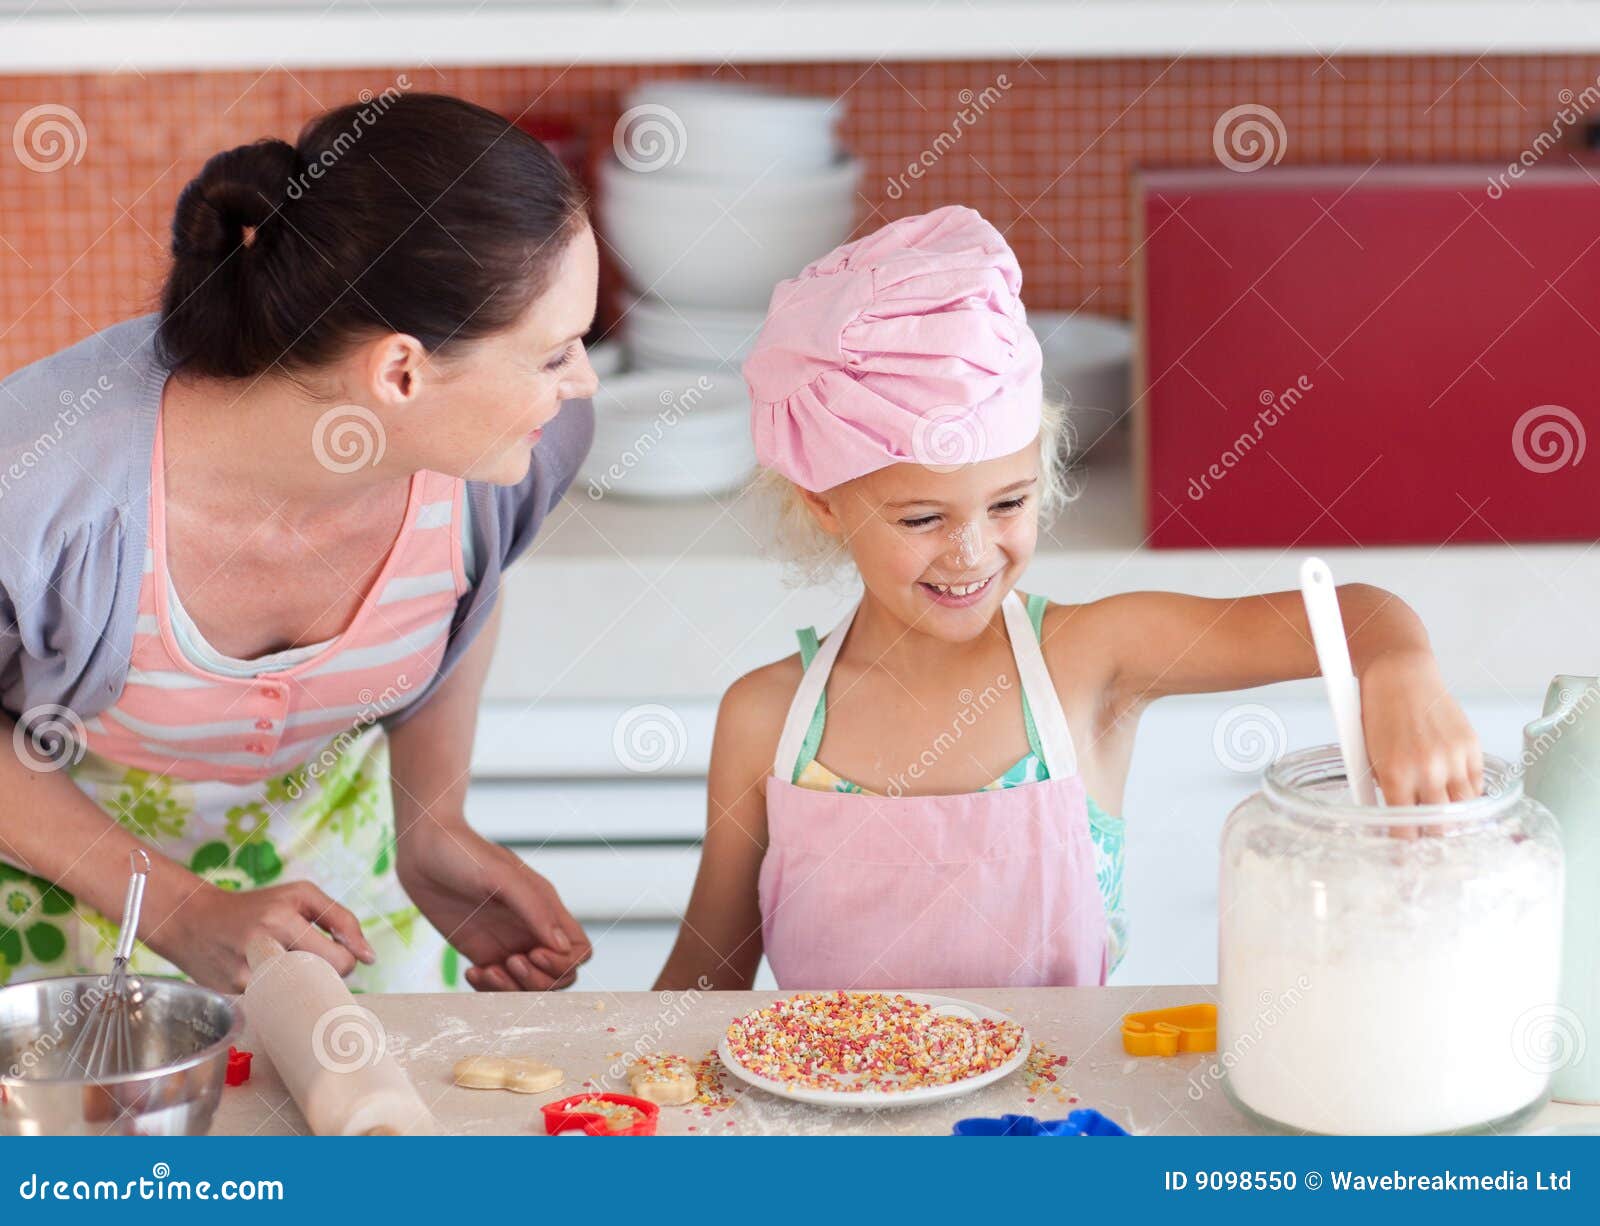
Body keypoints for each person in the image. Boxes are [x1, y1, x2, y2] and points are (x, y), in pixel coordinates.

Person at [655, 205, 1481, 991]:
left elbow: (1359, 616)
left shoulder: (1092, 660)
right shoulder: (767, 719)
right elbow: (702, 980)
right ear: (822, 504)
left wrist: (1398, 664)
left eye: (1009, 504)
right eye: (922, 517)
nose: (974, 552)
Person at [0, 94, 600, 993]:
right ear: (400, 370)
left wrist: (433, 822)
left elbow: (460, 597)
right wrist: (175, 908)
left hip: (344, 902)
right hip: (64, 902)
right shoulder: (41, 486)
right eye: (554, 353)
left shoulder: (516, 454)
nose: (583, 381)